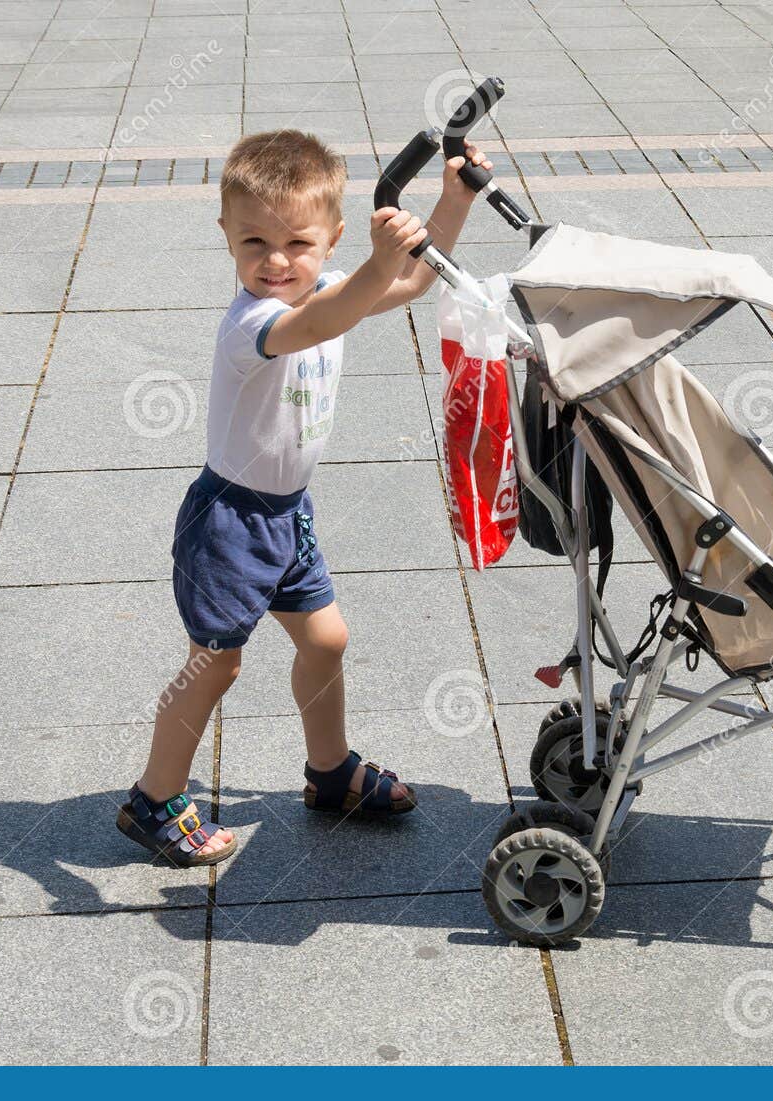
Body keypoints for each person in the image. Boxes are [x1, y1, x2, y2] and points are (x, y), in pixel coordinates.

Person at [116, 128, 492, 865]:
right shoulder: (253, 321)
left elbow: (415, 282)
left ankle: (330, 772)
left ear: (333, 239)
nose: (275, 260)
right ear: (225, 235)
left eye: (297, 242)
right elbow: (324, 320)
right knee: (214, 664)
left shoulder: (325, 290)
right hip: (228, 522)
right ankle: (152, 799)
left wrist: (452, 201)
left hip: (287, 513)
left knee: (326, 641)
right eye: (253, 240)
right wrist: (375, 267)